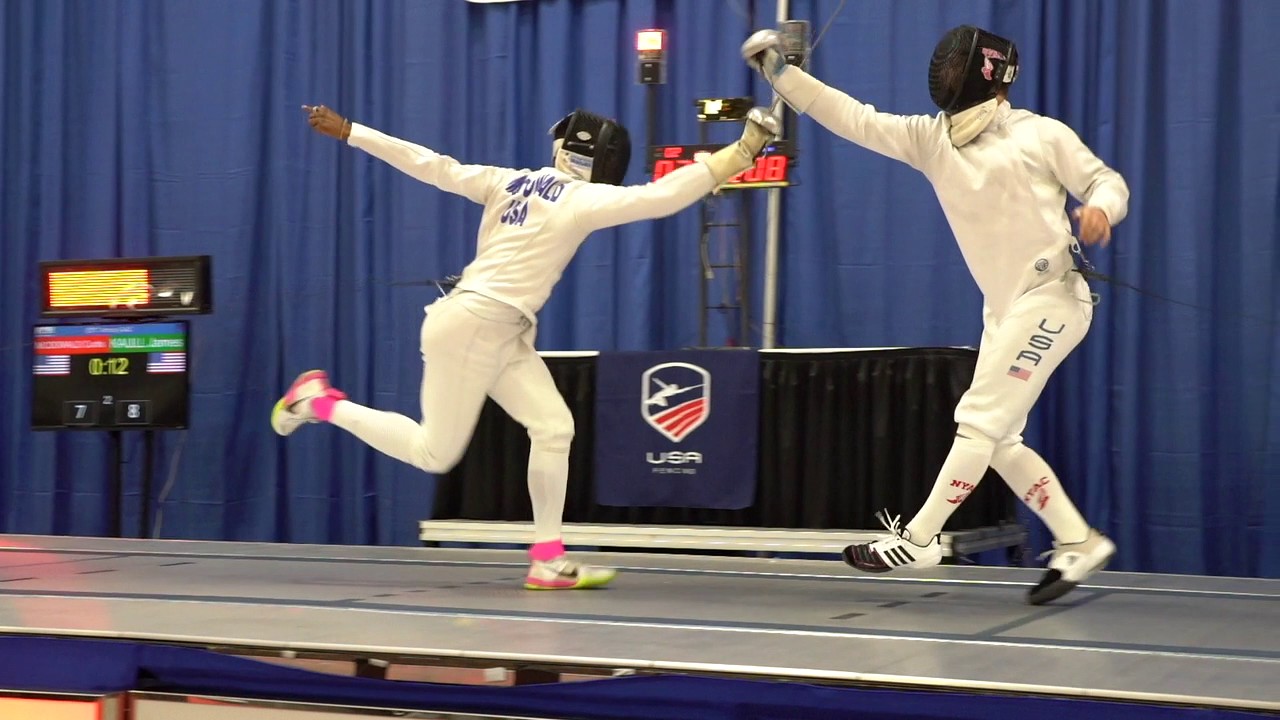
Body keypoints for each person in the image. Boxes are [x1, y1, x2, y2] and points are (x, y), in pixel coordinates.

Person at [273, 102, 779, 591]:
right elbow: (660, 197)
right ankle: (318, 402)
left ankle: (547, 560)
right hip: (475, 326)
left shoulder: (506, 179)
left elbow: (431, 165)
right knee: (434, 453)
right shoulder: (580, 200)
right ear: (601, 158)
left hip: (499, 329)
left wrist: (353, 131)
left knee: (554, 427)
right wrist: (740, 152)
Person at [741, 25, 1129, 604]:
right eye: (941, 70)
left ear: (988, 77)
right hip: (1003, 309)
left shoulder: (1038, 135)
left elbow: (1105, 180)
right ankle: (1078, 540)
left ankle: (921, 538)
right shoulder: (932, 139)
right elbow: (852, 116)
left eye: (955, 71)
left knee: (977, 420)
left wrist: (1100, 208)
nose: (945, 80)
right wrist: (781, 73)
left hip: (1053, 299)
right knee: (998, 440)